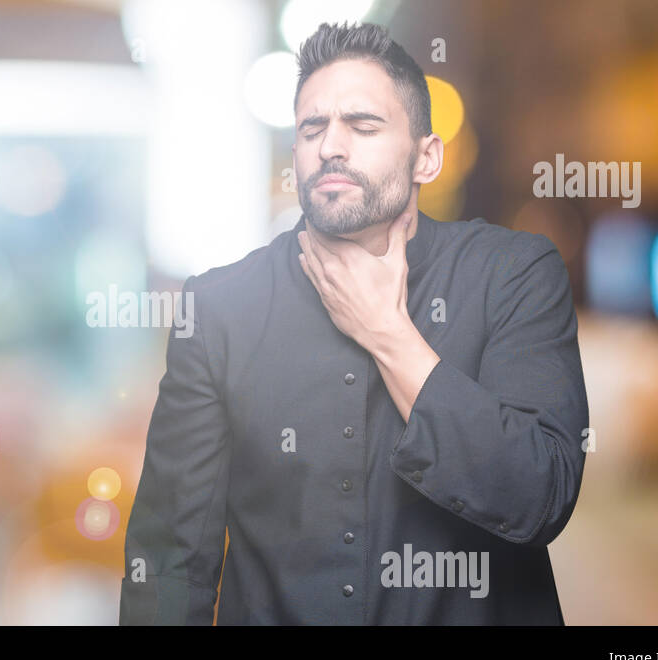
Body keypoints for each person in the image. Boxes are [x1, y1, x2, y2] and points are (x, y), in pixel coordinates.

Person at [119, 21, 589, 625]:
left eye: (363, 126)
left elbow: (539, 494)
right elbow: (170, 559)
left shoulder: (513, 275)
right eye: (312, 128)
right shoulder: (220, 307)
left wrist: (387, 332)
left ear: (426, 157)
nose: (331, 146)